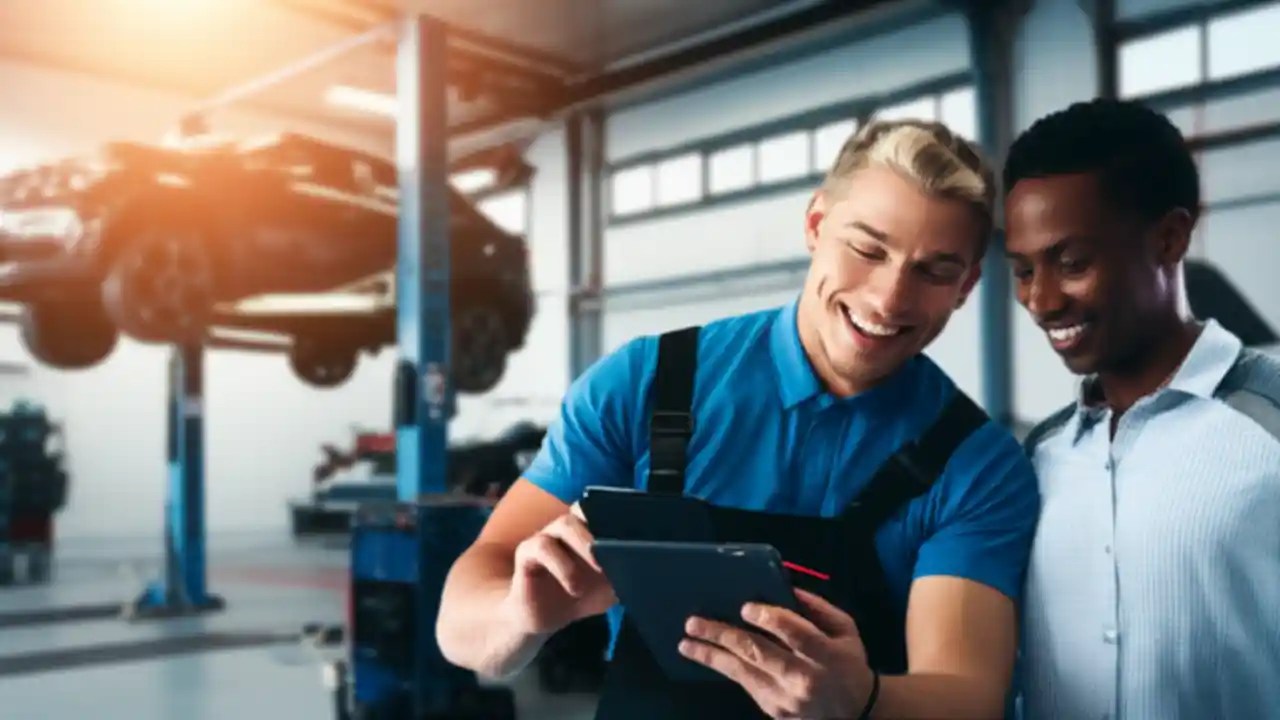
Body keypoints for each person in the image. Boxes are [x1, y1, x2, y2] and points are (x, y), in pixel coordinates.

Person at [437, 119, 1040, 719]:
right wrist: (519, 616)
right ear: (815, 224)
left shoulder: (975, 464)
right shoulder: (644, 387)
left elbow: (966, 696)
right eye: (866, 248)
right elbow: (462, 626)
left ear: (966, 285)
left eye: (934, 270)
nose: (888, 299)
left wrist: (863, 702)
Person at [1004, 98, 1280, 720]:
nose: (1042, 300)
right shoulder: (1038, 458)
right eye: (1023, 270)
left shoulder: (1270, 421)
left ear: (1170, 237)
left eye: (1072, 263)